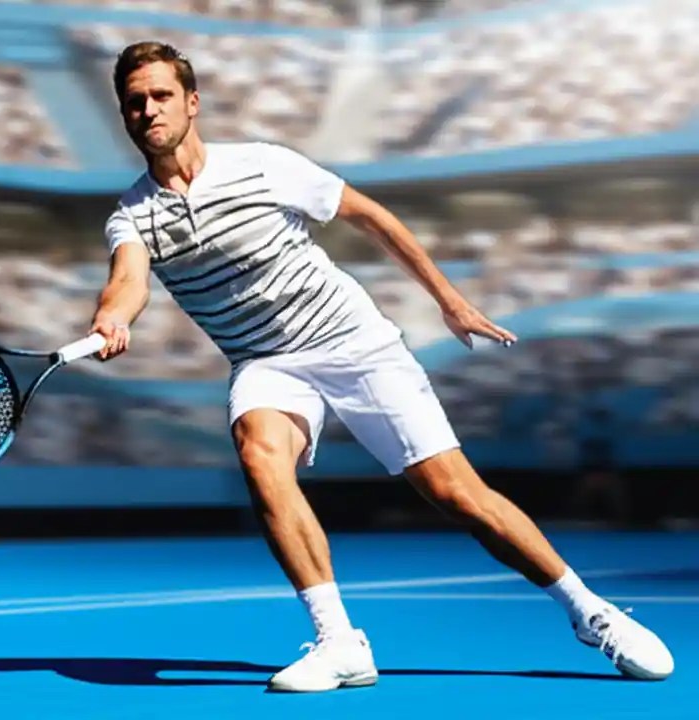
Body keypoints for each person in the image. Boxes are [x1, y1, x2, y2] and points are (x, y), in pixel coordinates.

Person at [87, 41, 674, 693]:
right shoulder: (131, 216)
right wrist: (115, 317)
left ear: (191, 103)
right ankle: (340, 642)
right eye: (135, 101)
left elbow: (370, 216)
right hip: (265, 361)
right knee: (259, 455)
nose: (148, 109)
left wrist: (449, 300)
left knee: (458, 495)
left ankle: (592, 615)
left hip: (352, 340)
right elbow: (128, 282)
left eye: (161, 95)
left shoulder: (262, 166)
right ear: (124, 115)